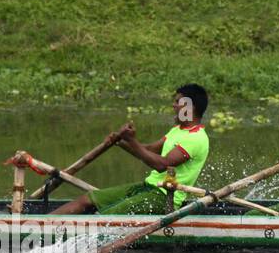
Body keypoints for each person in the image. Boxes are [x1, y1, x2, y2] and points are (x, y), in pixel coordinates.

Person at [51, 84, 210, 215]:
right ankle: (37, 225)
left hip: (163, 198)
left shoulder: (196, 138)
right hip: (147, 187)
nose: (173, 105)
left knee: (107, 215)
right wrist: (120, 141)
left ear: (190, 106)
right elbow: (149, 150)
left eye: (178, 102)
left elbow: (162, 164)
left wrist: (131, 140)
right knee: (87, 200)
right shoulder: (178, 130)